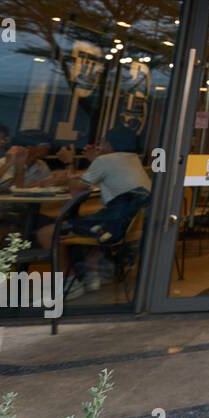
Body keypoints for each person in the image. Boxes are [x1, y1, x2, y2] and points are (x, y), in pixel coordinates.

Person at [63, 127, 152, 298]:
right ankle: (93, 271)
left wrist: (69, 163)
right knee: (88, 222)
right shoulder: (134, 159)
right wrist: (95, 160)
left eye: (102, 142)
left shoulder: (105, 160)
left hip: (114, 226)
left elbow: (75, 191)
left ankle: (73, 279)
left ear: (109, 144)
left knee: (57, 231)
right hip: (131, 226)